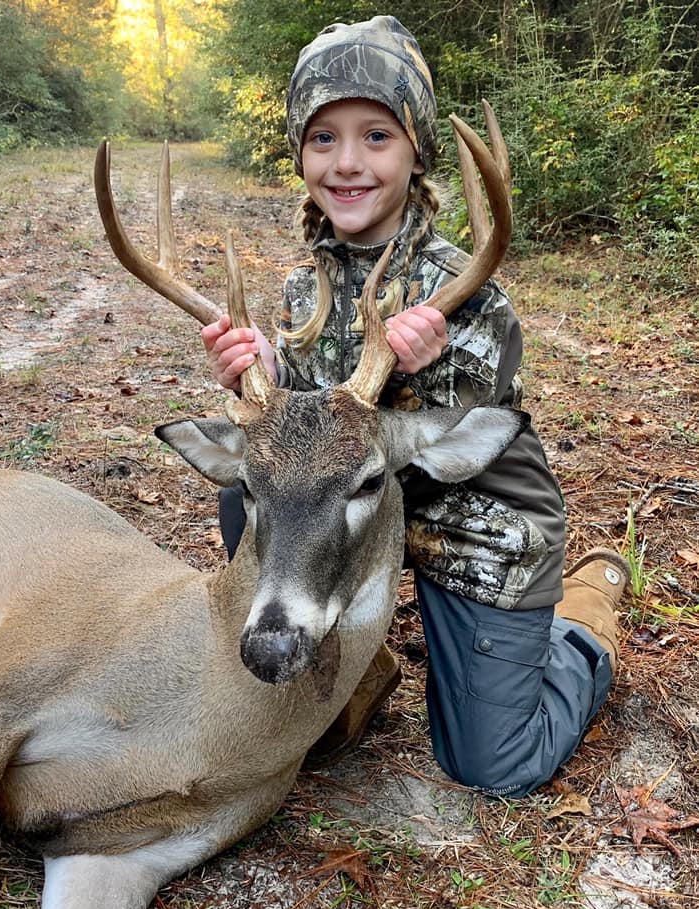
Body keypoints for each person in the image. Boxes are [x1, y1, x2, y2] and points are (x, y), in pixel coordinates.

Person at [200, 15, 630, 798]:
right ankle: (360, 670)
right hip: (364, 525)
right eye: (322, 138)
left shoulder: (470, 293)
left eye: (376, 136)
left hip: (477, 533)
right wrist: (256, 385)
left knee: (493, 766)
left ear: (417, 152)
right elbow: (312, 446)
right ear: (300, 153)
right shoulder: (305, 288)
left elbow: (469, 440)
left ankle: (583, 625)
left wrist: (422, 372)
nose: (347, 162)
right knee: (249, 489)